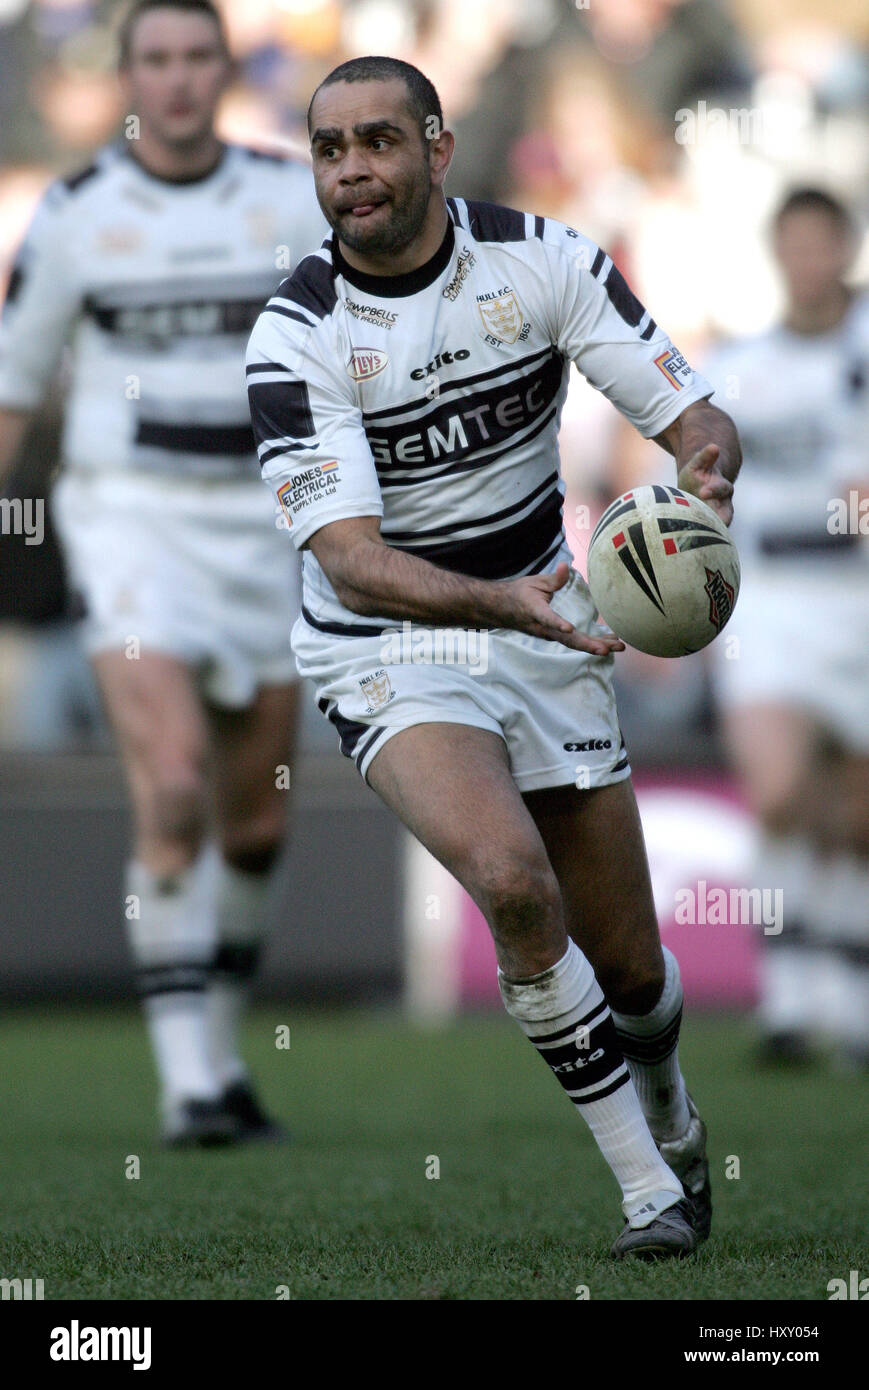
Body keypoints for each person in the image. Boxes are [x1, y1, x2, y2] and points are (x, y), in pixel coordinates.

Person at [246, 55, 741, 1258]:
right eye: (329, 149)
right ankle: (646, 1192)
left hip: (547, 617)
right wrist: (498, 606)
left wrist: (705, 482)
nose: (353, 169)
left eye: (377, 141)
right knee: (513, 888)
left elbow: (695, 418)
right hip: (389, 639)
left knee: (630, 969)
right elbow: (355, 561)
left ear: (436, 147)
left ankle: (672, 1116)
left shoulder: (544, 260)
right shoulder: (293, 335)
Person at [0, 0, 326, 1145]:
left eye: (198, 57)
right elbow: (11, 387)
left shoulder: (292, 199)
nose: (179, 80)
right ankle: (187, 1082)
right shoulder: (80, 214)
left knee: (251, 827)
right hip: (128, 523)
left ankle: (222, 1052)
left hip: (267, 530)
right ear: (129, 74)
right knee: (173, 781)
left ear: (225, 69)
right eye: (158, 59)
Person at [705, 188, 869, 1068]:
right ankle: (785, 1001)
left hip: (859, 596)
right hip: (770, 594)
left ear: (843, 247)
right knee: (774, 791)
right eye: (793, 243)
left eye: (823, 241)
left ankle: (844, 998)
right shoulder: (739, 364)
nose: (809, 258)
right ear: (777, 253)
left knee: (855, 815)